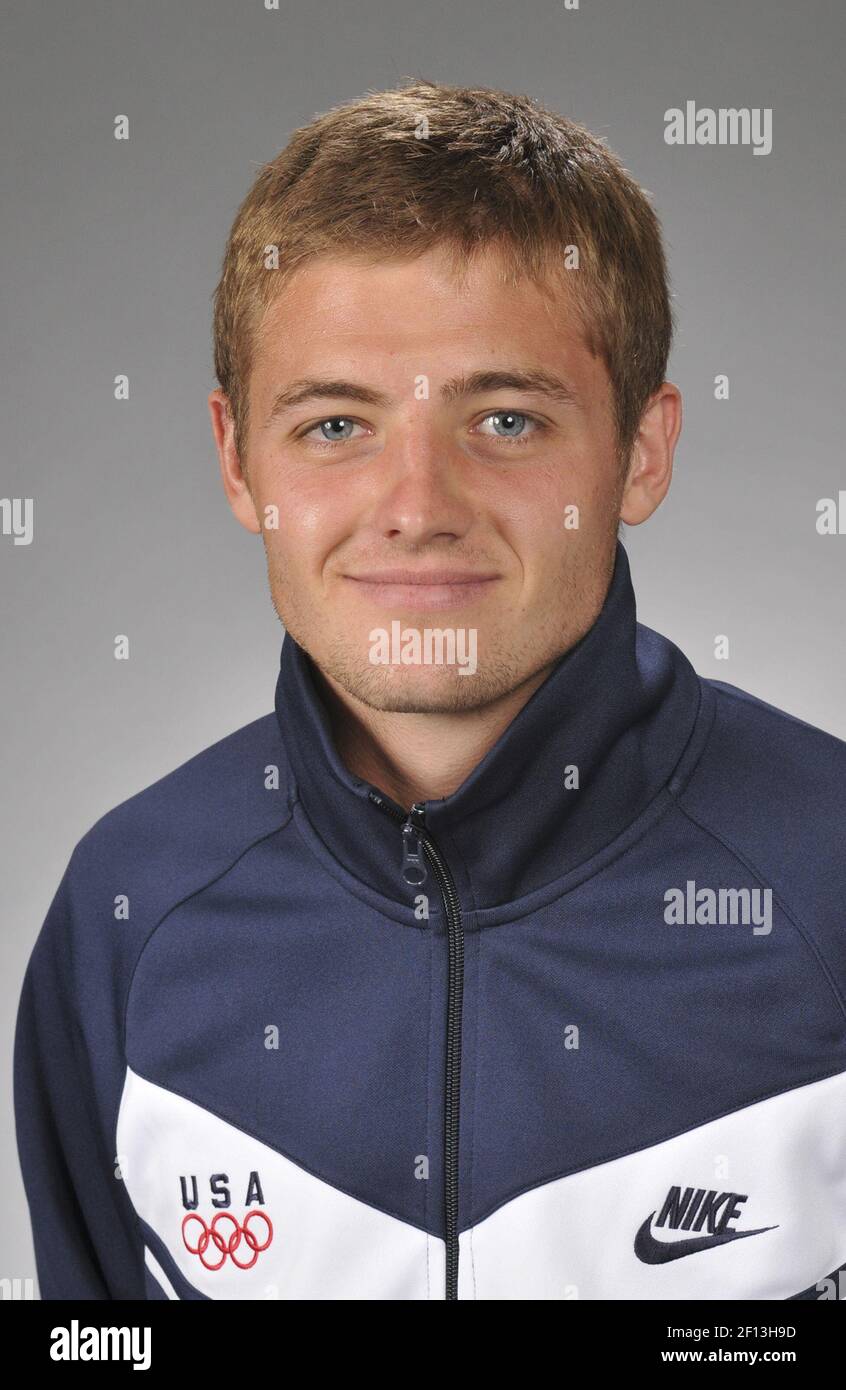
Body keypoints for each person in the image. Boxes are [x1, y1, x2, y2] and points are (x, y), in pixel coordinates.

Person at [14, 79, 846, 1302]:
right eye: (336, 426)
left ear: (642, 452)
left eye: (506, 419)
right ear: (238, 461)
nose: (417, 506)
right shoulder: (130, 911)